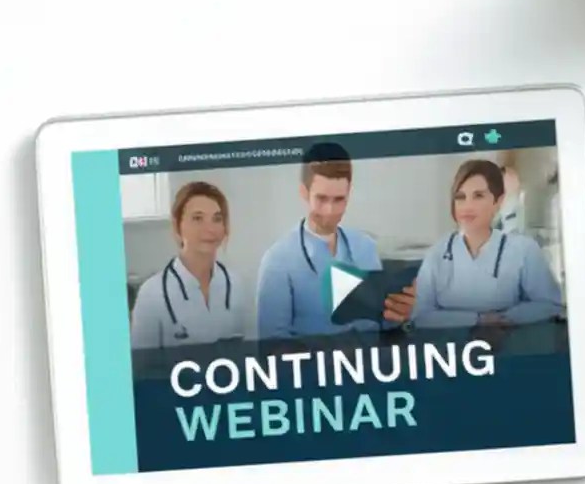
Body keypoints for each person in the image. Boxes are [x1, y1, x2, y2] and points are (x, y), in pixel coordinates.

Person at [255, 143, 415, 340]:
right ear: (304, 192)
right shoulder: (278, 261)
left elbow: (388, 329)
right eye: (321, 199)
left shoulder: (367, 248)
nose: (330, 211)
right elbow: (271, 349)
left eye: (339, 199)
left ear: (349, 194)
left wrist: (403, 315)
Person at [412, 159, 562, 329]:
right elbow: (421, 316)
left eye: (478, 196)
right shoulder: (437, 254)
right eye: (460, 197)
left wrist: (506, 318)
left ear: (498, 201)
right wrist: (479, 320)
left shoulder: (524, 250)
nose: (467, 206)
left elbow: (549, 304)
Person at [130, 181, 243, 348]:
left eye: (217, 219)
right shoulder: (152, 294)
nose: (209, 229)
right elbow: (142, 369)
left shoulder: (237, 286)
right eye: (198, 218)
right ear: (177, 226)